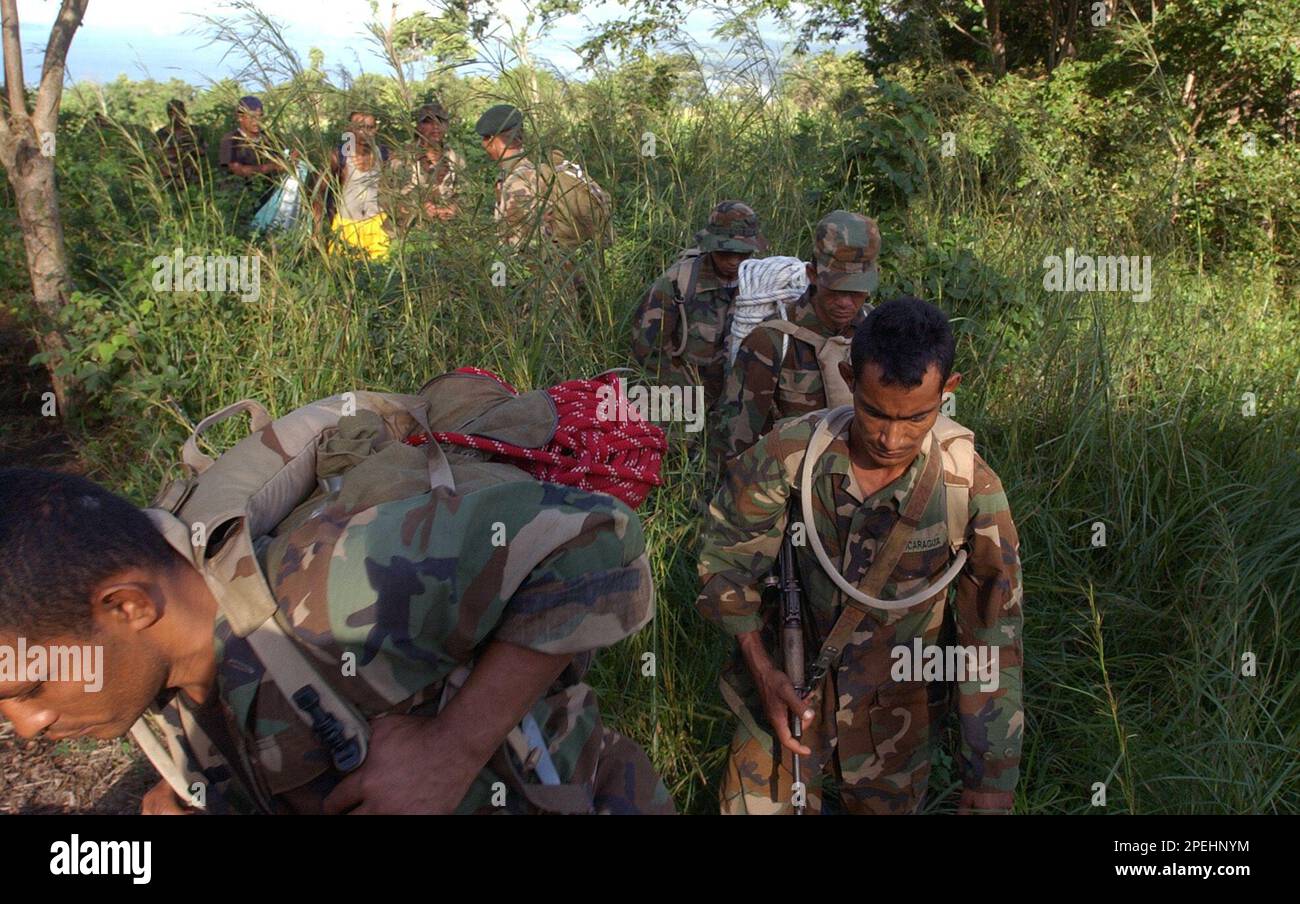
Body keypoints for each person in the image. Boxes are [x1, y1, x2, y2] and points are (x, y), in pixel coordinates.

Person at [0, 409, 675, 814]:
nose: (27, 725)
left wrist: (454, 747)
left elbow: (596, 538)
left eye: (31, 687)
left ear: (126, 605)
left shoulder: (336, 591)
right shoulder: (157, 678)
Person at [697, 296, 1023, 815]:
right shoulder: (792, 457)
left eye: (917, 417)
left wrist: (990, 779)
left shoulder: (969, 490)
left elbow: (992, 635)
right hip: (787, 699)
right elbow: (725, 562)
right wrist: (763, 672)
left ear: (949, 391)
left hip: (894, 730)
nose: (891, 437)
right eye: (874, 412)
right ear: (849, 378)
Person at [716, 210, 880, 461]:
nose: (846, 302)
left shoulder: (878, 332)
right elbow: (736, 441)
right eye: (836, 289)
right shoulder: (770, 342)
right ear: (812, 275)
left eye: (856, 290)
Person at [630, 201, 768, 412]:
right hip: (682, 390)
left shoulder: (764, 285)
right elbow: (647, 350)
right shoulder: (679, 281)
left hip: (739, 394)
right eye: (725, 252)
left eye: (742, 254)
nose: (733, 261)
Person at [321, 110, 396, 260]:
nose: (365, 132)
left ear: (376, 129)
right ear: (349, 130)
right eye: (360, 127)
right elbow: (318, 191)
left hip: (378, 225)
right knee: (347, 275)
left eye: (370, 127)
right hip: (347, 225)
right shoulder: (339, 156)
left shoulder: (385, 154)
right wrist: (319, 228)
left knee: (380, 273)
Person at [475, 103, 548, 248]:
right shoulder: (529, 170)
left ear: (491, 141)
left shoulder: (517, 182)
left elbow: (514, 248)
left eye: (484, 139)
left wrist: (499, 270)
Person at [394, 101, 464, 229]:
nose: (435, 126)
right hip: (409, 234)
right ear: (419, 127)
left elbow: (467, 195)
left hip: (446, 234)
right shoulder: (402, 158)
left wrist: (455, 208)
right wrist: (418, 208)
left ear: (446, 126)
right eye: (429, 122)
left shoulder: (455, 159)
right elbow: (385, 197)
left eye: (440, 121)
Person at [218, 96, 293, 208]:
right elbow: (239, 170)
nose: (256, 122)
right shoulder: (230, 140)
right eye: (252, 117)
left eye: (260, 116)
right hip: (240, 202)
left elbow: (283, 163)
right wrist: (273, 166)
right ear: (240, 117)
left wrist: (290, 161)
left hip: (269, 200)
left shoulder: (270, 138)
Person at [155, 99, 203, 187]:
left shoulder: (194, 131)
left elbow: (204, 151)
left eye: (178, 112)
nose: (175, 116)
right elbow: (156, 155)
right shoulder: (161, 134)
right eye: (171, 112)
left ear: (184, 113)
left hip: (193, 177)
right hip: (170, 179)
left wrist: (190, 149)